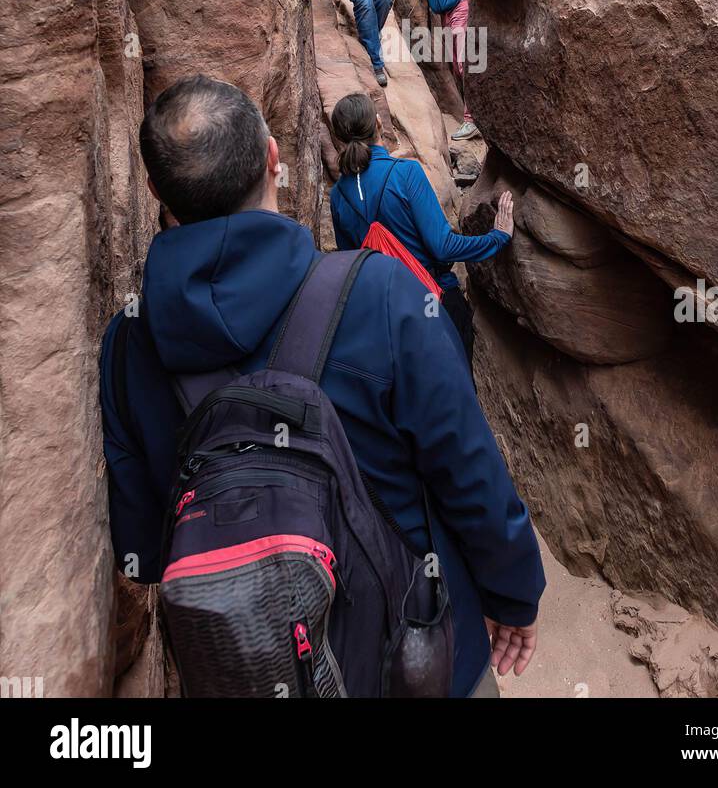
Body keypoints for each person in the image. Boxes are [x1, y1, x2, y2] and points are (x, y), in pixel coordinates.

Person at [100, 75, 544, 699]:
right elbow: (468, 469)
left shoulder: (129, 344)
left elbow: (144, 547)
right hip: (418, 651)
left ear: (155, 190)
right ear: (273, 159)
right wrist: (513, 591)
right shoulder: (380, 295)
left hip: (254, 665)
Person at [329, 91, 513, 368]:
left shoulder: (337, 196)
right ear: (378, 122)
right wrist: (497, 238)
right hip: (433, 303)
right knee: (456, 386)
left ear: (339, 137)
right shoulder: (405, 173)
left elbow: (351, 265)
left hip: (384, 317)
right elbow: (443, 247)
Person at [391, 0, 479, 142]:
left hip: (462, 5)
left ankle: (472, 120)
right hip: (444, 16)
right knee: (457, 66)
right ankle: (476, 117)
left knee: (465, 62)